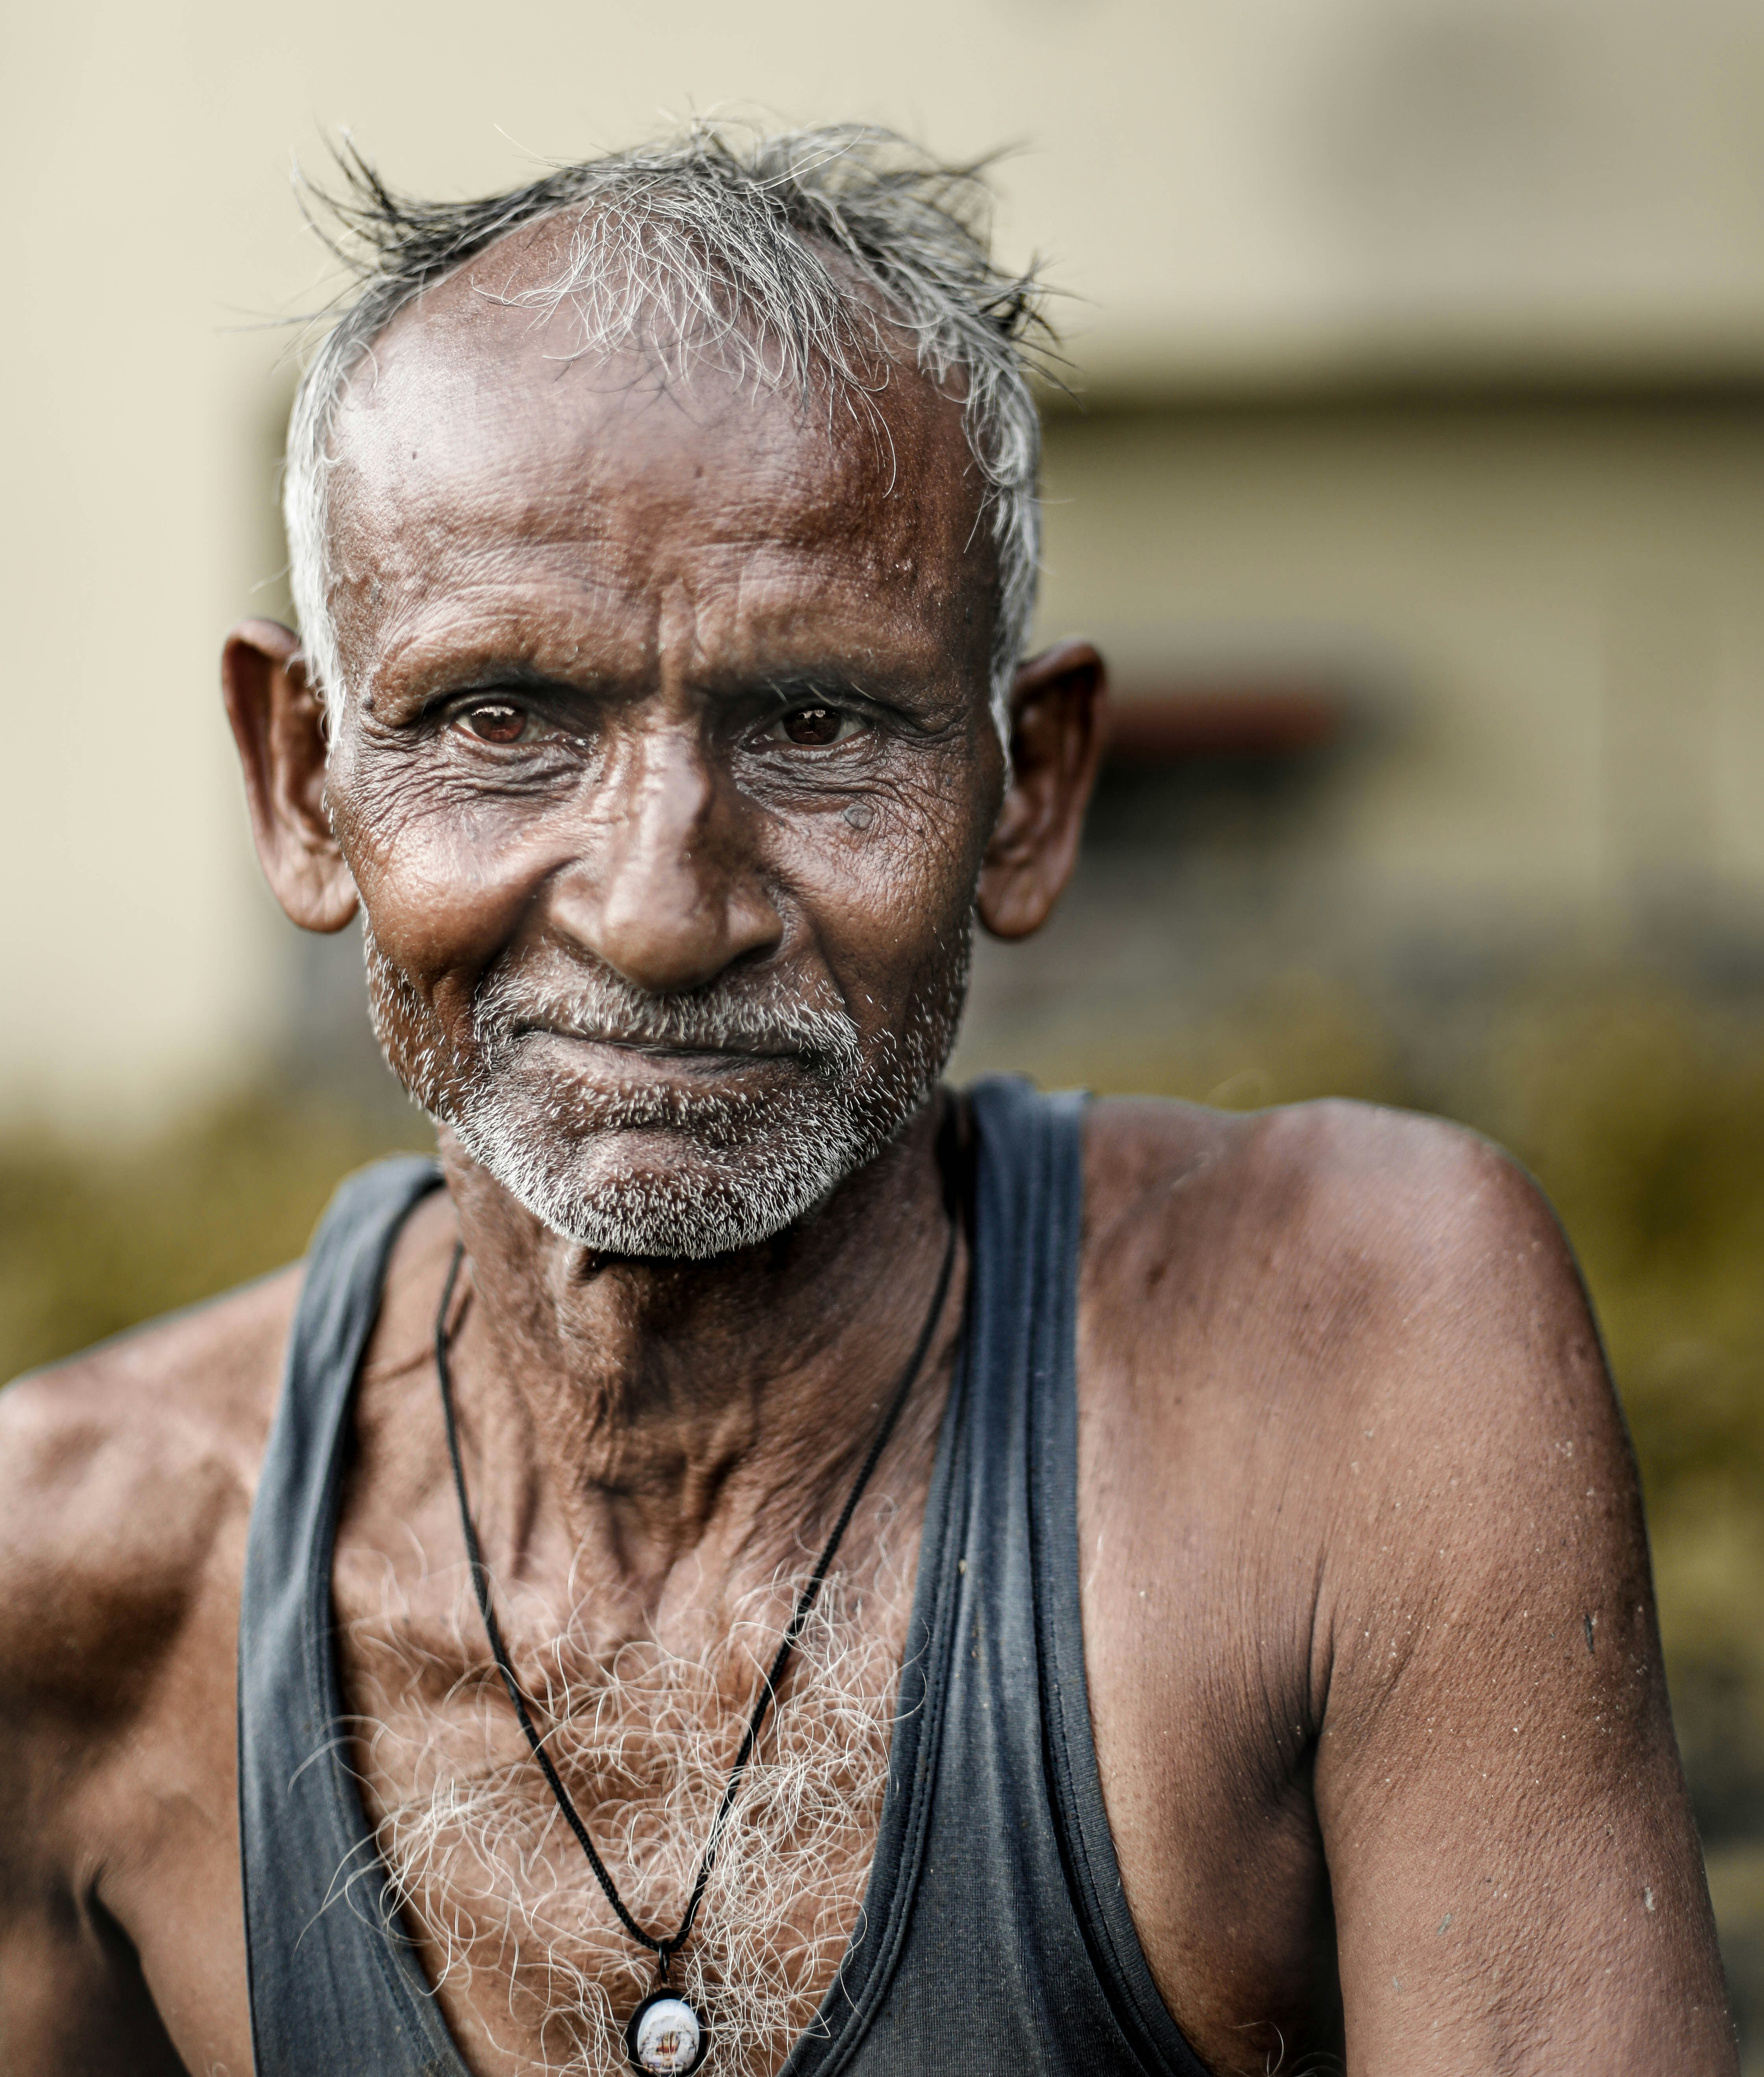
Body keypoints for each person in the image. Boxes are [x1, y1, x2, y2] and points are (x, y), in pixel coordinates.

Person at [0, 125, 1736, 2077]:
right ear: (303, 784)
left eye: (816, 724)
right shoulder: (73, 1577)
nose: (657, 911)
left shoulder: (1358, 1359)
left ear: (1033, 792)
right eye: (503, 720)